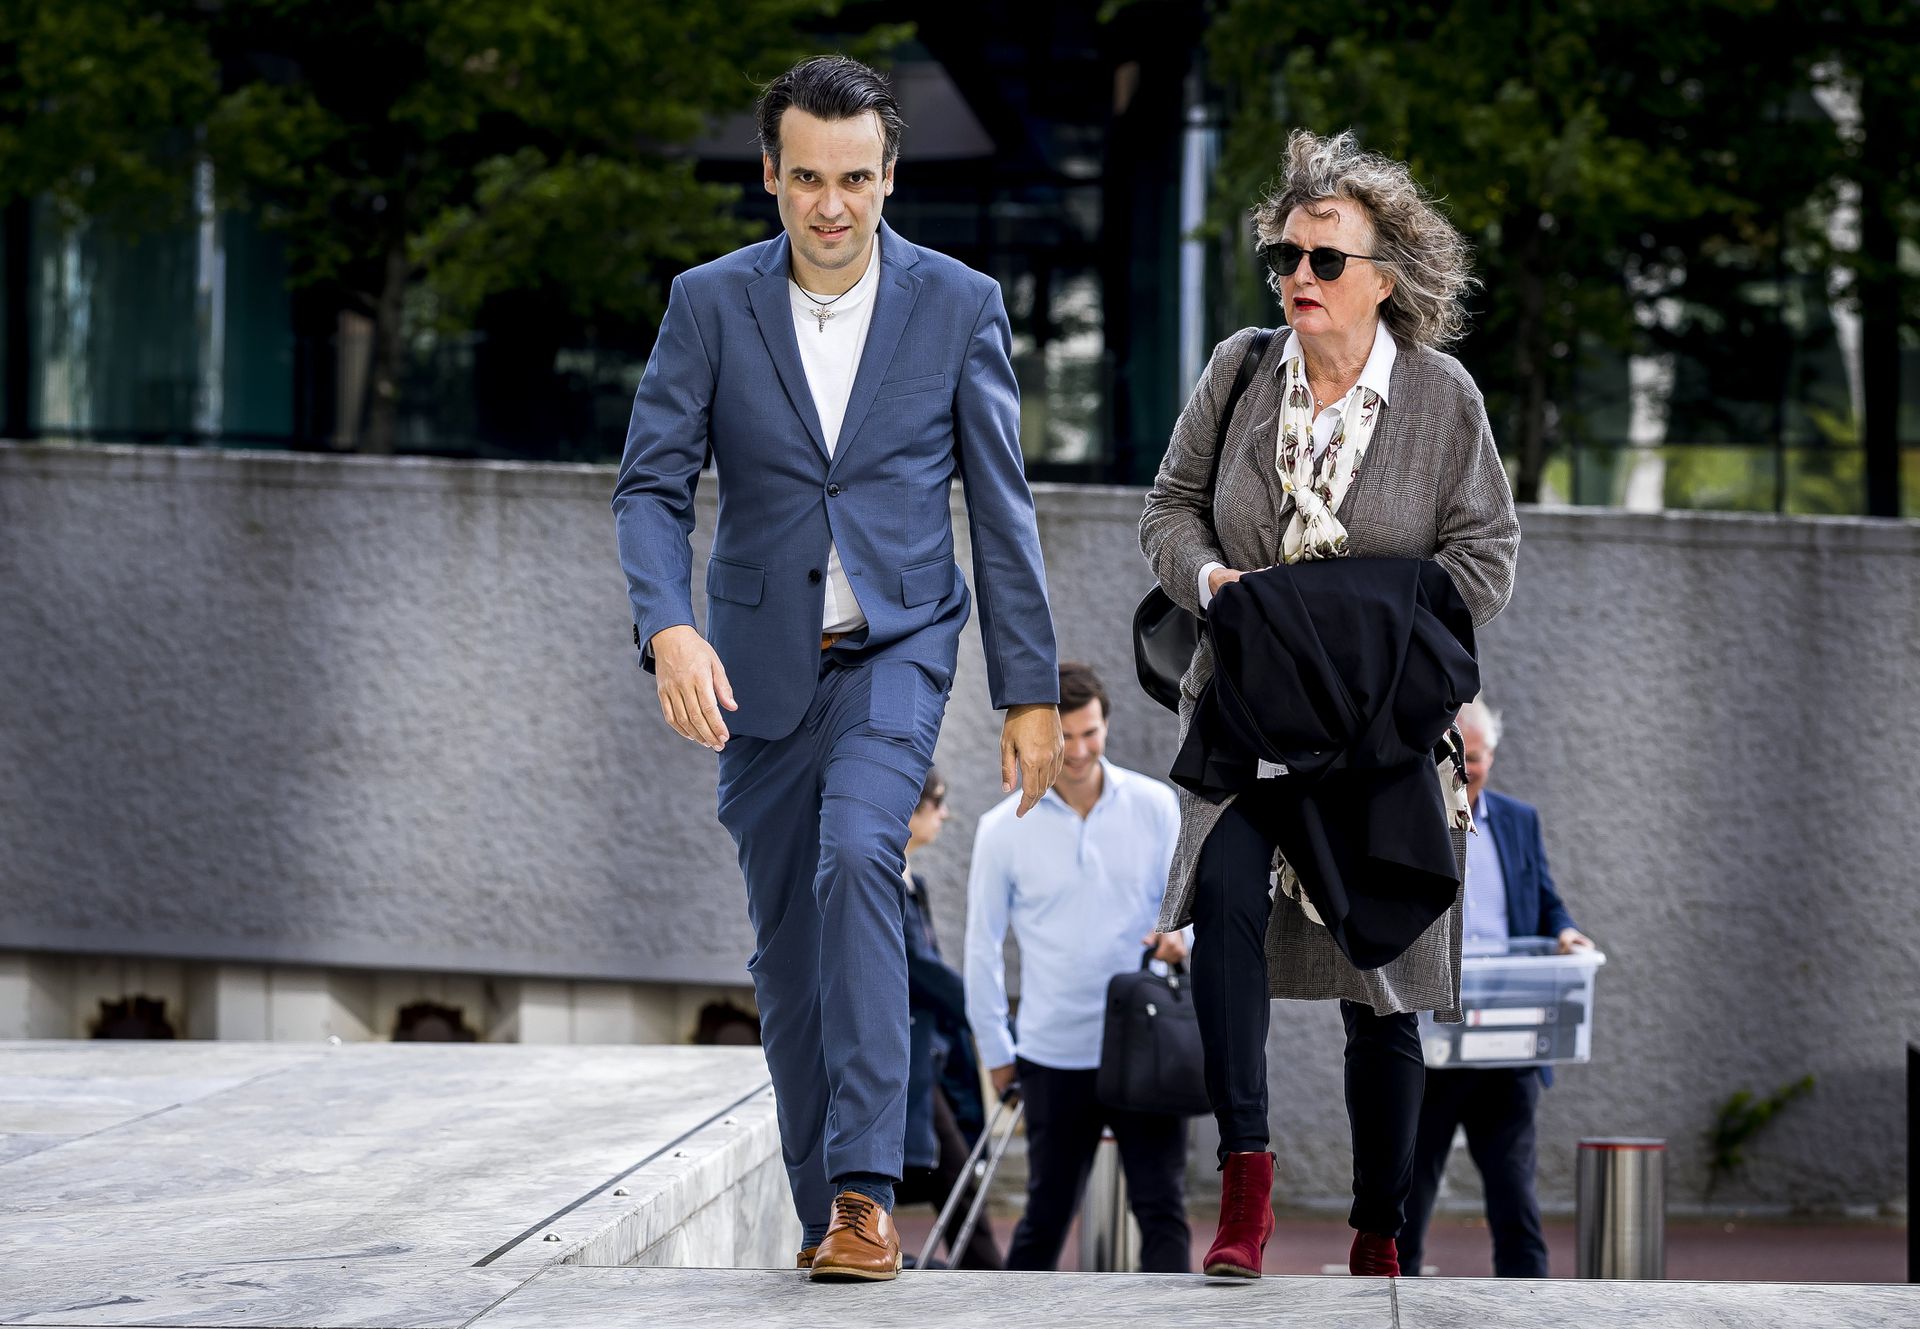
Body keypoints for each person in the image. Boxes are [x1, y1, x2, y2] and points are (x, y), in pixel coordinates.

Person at [612, 55, 1063, 1284]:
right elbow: (650, 488)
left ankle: (868, 1191)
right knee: (788, 956)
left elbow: (1002, 510)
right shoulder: (709, 304)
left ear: (889, 177)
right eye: (807, 178)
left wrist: (1027, 691)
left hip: (898, 649)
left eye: (854, 179)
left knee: (861, 853)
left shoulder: (958, 303)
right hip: (757, 669)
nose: (831, 204)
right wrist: (669, 629)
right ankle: (829, 1213)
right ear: (771, 175)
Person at [1139, 128, 1520, 1279]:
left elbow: (1486, 558)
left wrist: (1350, 620)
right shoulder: (1240, 370)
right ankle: (1245, 1185)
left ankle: (1379, 1230)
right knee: (1222, 897)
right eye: (1285, 257)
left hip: (1383, 733)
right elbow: (1168, 510)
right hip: (1248, 714)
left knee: (1381, 982)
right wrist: (1216, 583)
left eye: (1326, 259)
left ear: (1384, 278)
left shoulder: (1443, 399)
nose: (1298, 277)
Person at [963, 662, 1194, 1273]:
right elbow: (981, 948)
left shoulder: (1156, 806)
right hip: (1052, 1052)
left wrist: (1182, 940)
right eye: (1066, 738)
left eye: (1091, 733)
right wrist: (996, 1050)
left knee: (1162, 1209)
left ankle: (1173, 1321)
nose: (1081, 750)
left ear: (1105, 725)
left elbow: (1193, 911)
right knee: (1045, 1215)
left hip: (1147, 1044)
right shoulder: (1001, 829)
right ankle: (1013, 1319)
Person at [1399, 698, 1592, 1278]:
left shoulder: (1518, 820)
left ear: (1492, 757)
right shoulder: (1408, 820)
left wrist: (1566, 931)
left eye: (1477, 757)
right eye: (1454, 756)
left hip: (1509, 1038)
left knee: (1515, 1199)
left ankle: (1529, 1306)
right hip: (1432, 1038)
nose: (1465, 769)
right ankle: (1387, 1302)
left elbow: (1545, 899)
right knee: (1407, 1198)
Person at [894, 764, 1004, 1269]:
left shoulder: (910, 879)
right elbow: (919, 968)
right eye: (937, 802)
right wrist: (985, 1012)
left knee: (957, 1178)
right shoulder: (885, 876)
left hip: (925, 1057)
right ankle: (988, 1279)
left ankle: (982, 1274)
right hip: (902, 1057)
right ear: (909, 806)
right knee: (957, 1178)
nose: (944, 814)